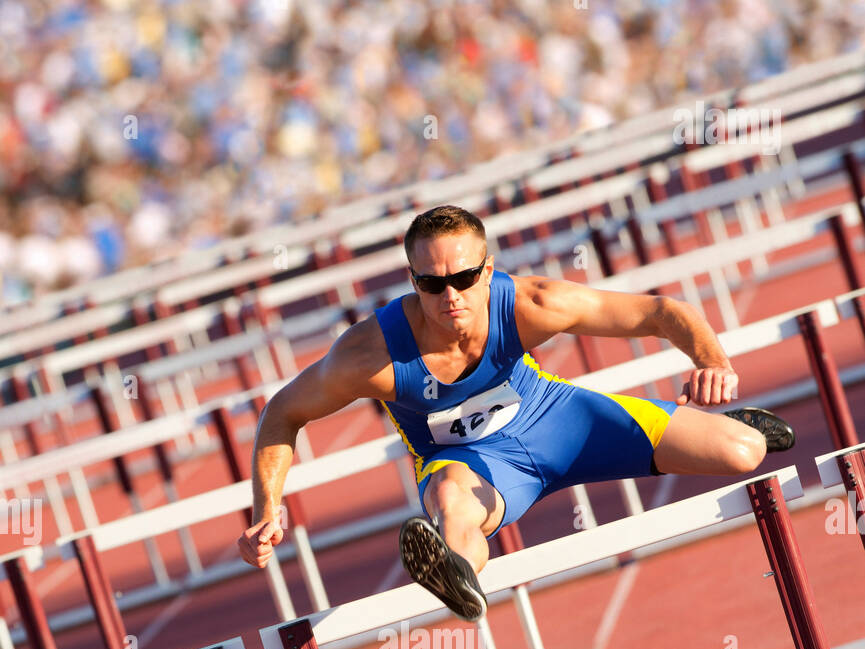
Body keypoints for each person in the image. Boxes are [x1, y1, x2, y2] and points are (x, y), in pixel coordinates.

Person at [238, 204, 793, 620]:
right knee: (452, 505)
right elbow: (282, 413)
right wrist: (267, 509)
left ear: (487, 270)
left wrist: (711, 360)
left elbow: (660, 311)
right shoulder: (371, 356)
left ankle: (731, 428)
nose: (449, 294)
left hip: (559, 421)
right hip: (468, 462)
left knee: (741, 454)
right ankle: (459, 580)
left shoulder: (530, 303)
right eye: (432, 283)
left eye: (462, 278)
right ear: (413, 281)